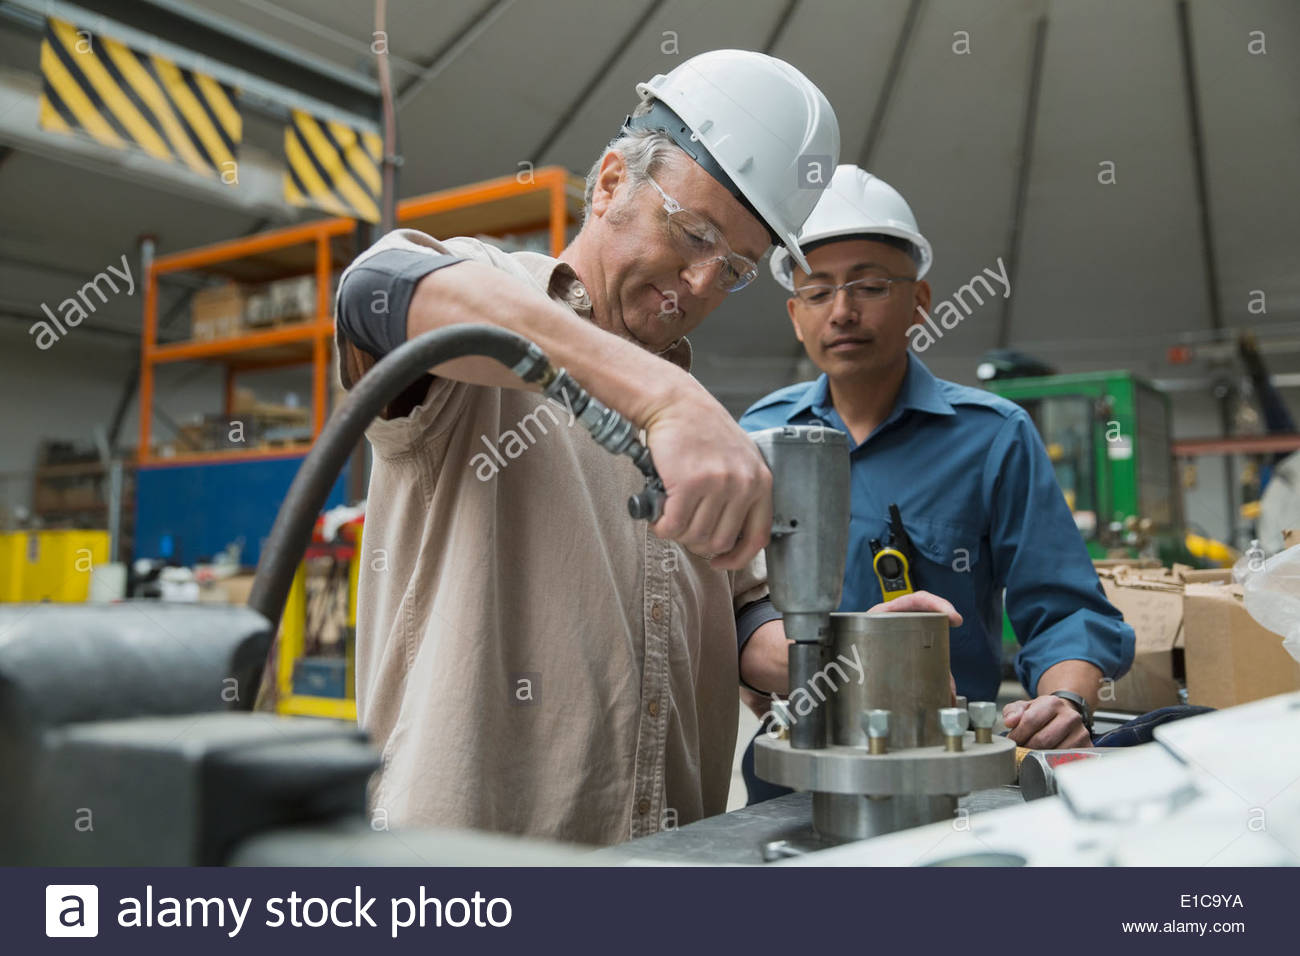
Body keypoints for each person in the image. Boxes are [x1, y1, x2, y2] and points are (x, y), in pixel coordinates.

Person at [332, 50, 840, 845]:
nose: (704, 284)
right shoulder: (489, 296)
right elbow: (374, 293)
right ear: (609, 184)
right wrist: (661, 397)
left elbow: (742, 620)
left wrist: (842, 652)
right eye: (696, 233)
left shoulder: (699, 427)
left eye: (736, 268)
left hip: (666, 865)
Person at [737, 165, 1135, 803]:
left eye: (869, 285)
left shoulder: (992, 438)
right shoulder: (759, 437)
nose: (842, 311)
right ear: (795, 313)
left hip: (946, 769)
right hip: (790, 771)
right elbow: (730, 605)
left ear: (920, 302)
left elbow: (1065, 607)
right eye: (818, 291)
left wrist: (1065, 698)